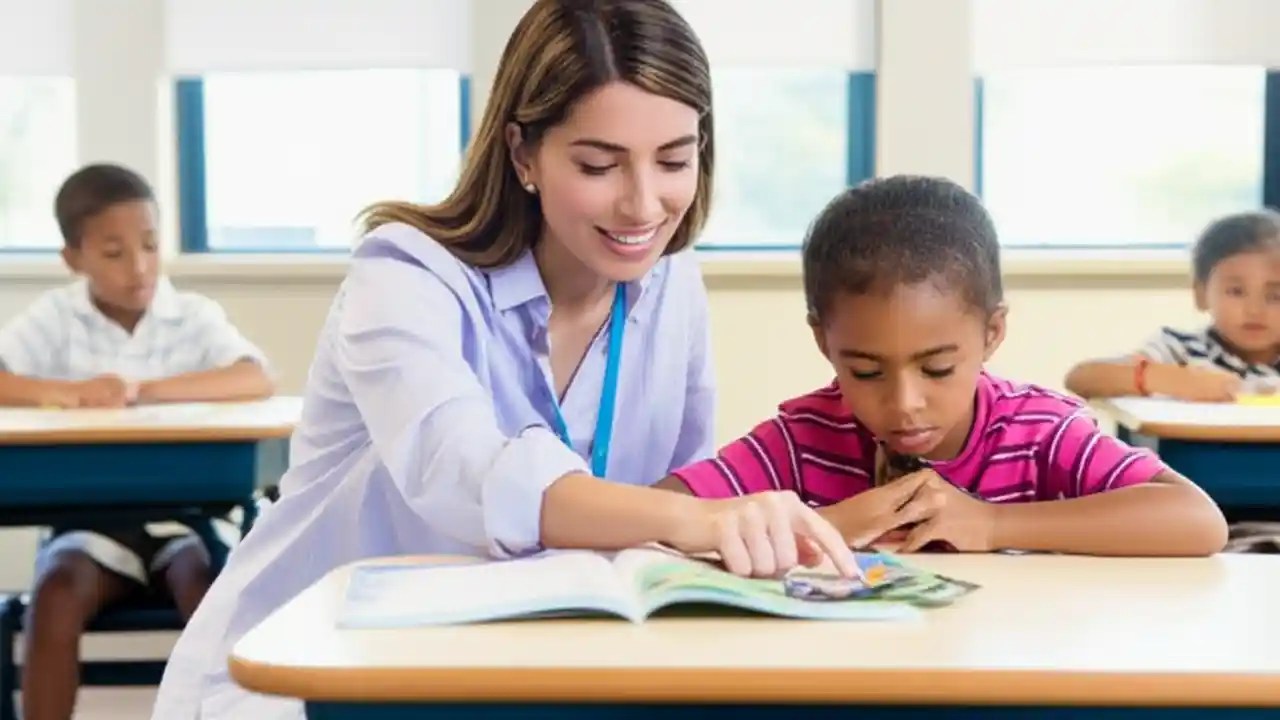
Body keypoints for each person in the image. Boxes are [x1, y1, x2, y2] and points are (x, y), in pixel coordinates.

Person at [151, 2, 854, 718]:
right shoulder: (403, 276)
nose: (645, 205)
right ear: (523, 154)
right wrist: (701, 519)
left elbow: (667, 501)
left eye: (675, 159)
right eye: (599, 165)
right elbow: (468, 473)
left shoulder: (671, 283)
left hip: (515, 666)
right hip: (306, 674)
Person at [659, 176, 1228, 559]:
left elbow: (1197, 521)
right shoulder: (803, 440)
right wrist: (825, 524)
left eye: (936, 369)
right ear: (823, 341)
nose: (905, 402)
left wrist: (992, 525)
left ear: (992, 333)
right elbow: (653, 516)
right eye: (866, 371)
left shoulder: (1036, 433)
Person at [0, 163, 272, 720]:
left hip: (189, 523)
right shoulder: (56, 317)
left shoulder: (190, 315)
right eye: (114, 252)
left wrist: (143, 390)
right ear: (74, 258)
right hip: (88, 525)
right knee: (53, 596)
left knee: (212, 590)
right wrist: (70, 394)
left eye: (150, 245)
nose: (139, 266)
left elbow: (254, 377)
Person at [1065, 211, 1280, 402]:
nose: (1255, 310)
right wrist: (1171, 380)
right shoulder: (1178, 349)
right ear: (1201, 294)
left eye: (1275, 296)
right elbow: (1080, 378)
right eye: (1236, 292)